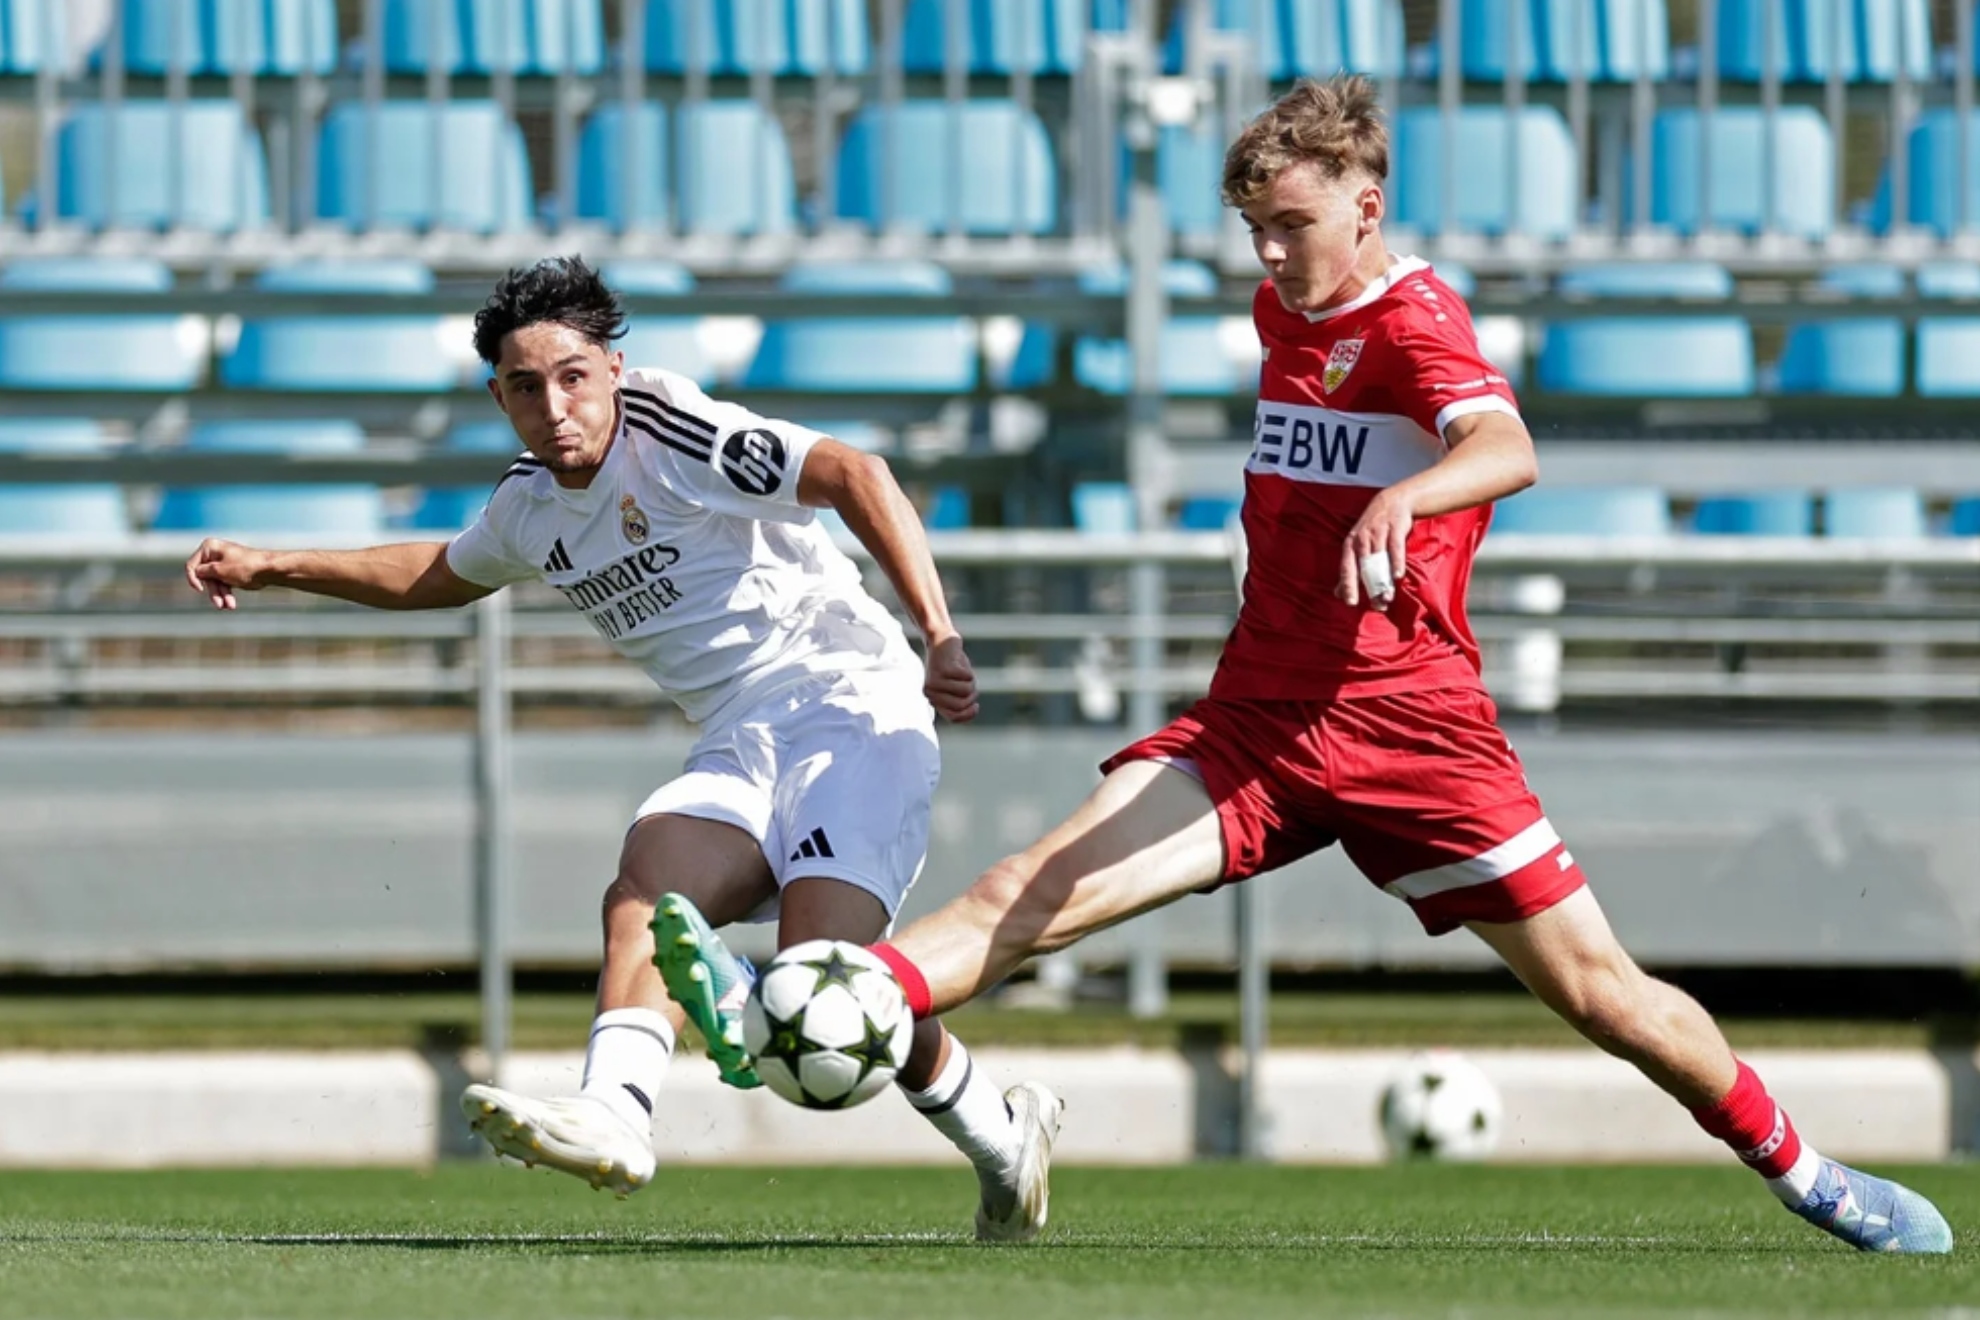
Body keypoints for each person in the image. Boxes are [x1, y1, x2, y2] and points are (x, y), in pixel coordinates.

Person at [667, 80, 1953, 1254]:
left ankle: (1812, 1176)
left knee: (1604, 997)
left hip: (1415, 735)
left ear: (1366, 205)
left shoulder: (1416, 320)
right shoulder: (1284, 312)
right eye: (1254, 231)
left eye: (1291, 225)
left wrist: (1408, 498)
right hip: (1260, 726)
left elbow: (1507, 447)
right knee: (1029, 891)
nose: (1271, 255)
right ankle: (800, 992)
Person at [183, 256, 1060, 1242]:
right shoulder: (529, 505)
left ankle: (998, 1137)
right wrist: (275, 564)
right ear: (498, 397)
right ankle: (617, 1113)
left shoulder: (673, 431)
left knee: (827, 982)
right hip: (737, 733)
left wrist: (938, 632)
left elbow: (858, 473)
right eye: (526, 387)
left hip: (850, 705)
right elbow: (439, 571)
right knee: (649, 887)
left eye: (573, 377)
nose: (554, 407)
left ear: (612, 369)